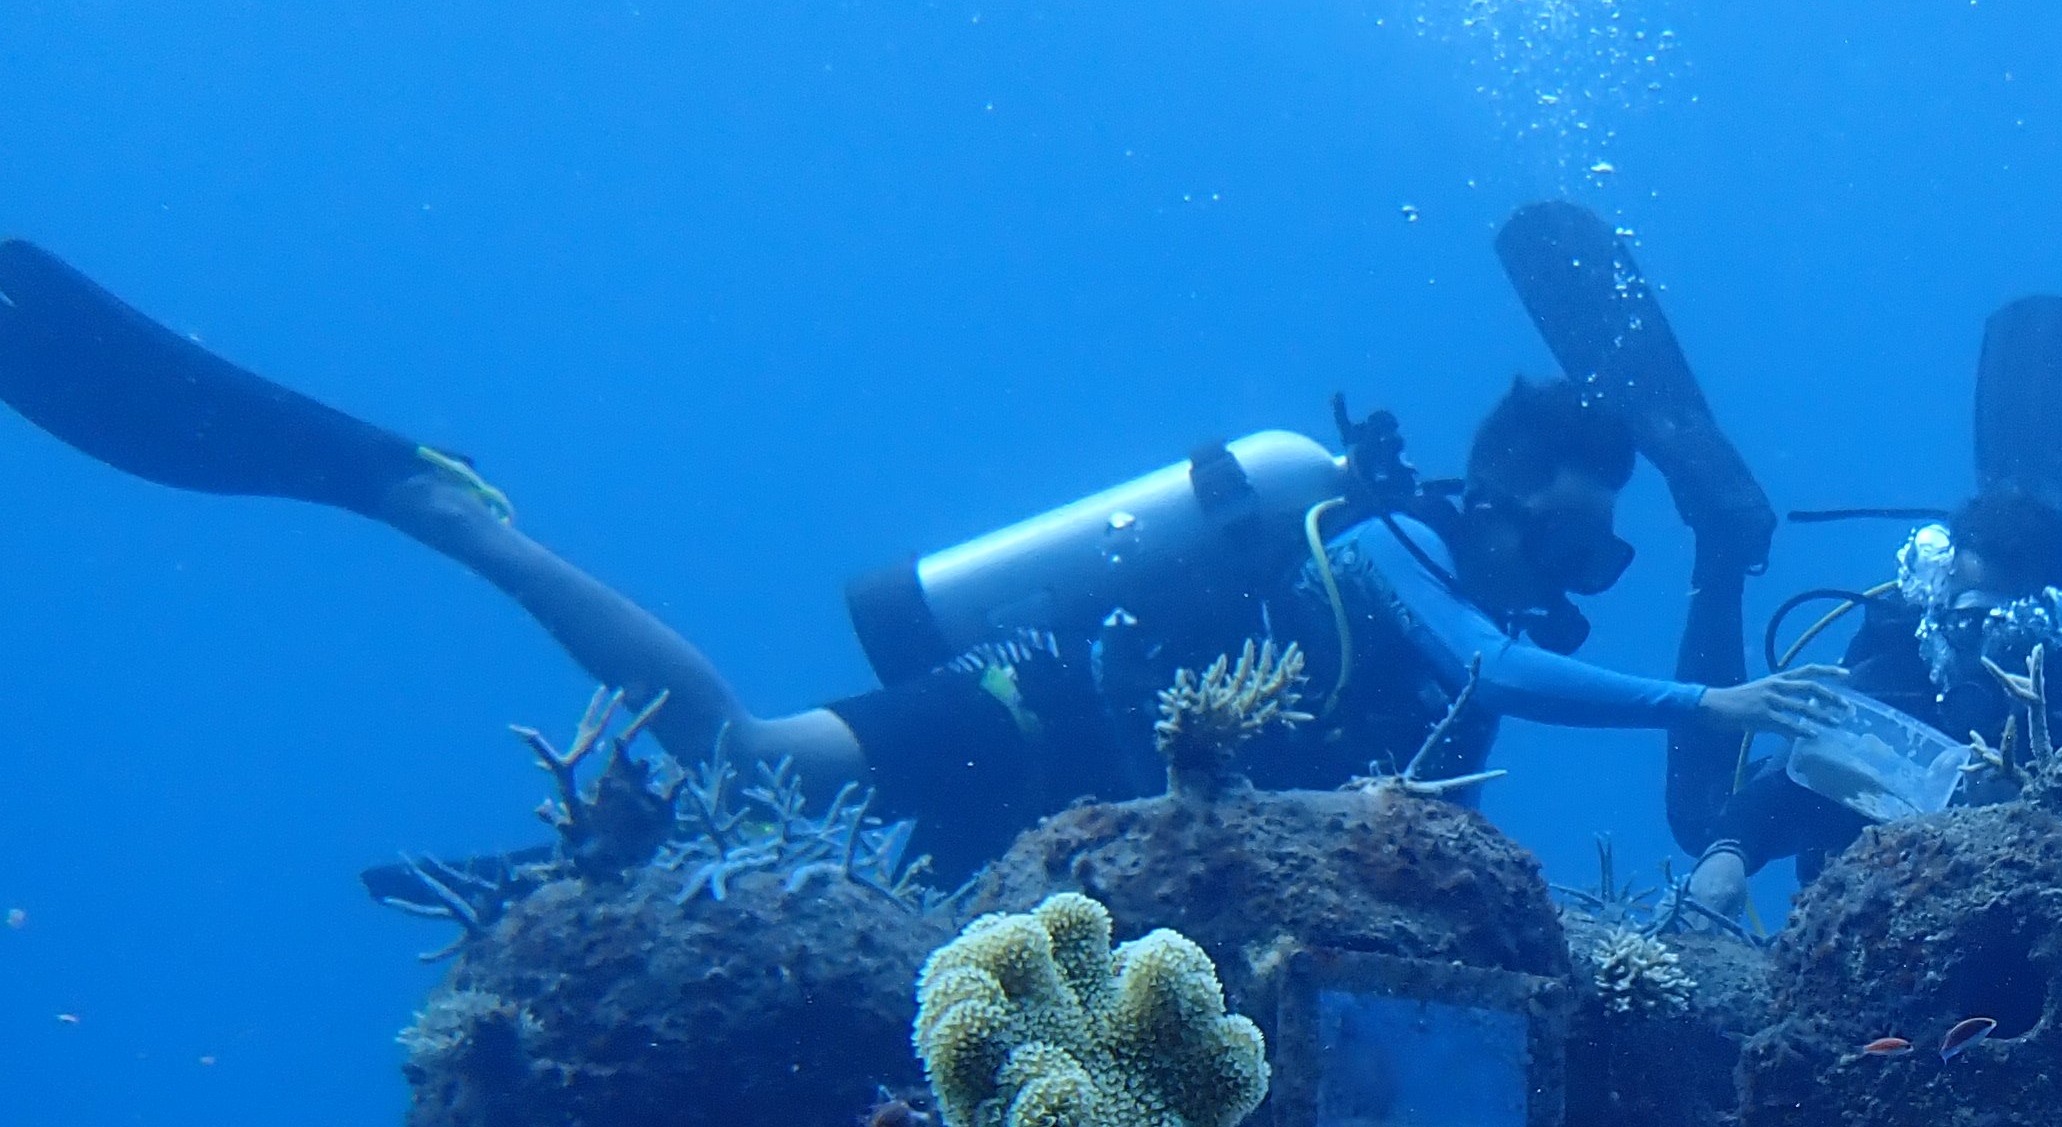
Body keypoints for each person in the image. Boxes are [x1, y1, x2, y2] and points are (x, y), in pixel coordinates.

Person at [0, 249, 1840, 873]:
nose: (1591, 566)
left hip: (1087, 797)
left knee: (758, 833)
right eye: (1597, 529)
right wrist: (1715, 687)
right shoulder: (1376, 538)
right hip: (1041, 729)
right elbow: (1494, 670)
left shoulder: (1412, 564)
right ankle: (432, 502)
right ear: (1518, 488)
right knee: (754, 763)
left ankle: (562, 876)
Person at [1681, 486, 2062, 925]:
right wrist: (1729, 851)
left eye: (2011, 632)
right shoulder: (1892, 672)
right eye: (1969, 624)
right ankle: (1719, 563)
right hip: (1859, 923)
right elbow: (1794, 780)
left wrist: (2035, 815)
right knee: (1696, 818)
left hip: (2018, 938)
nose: (1986, 655)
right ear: (1938, 611)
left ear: (2052, 629)